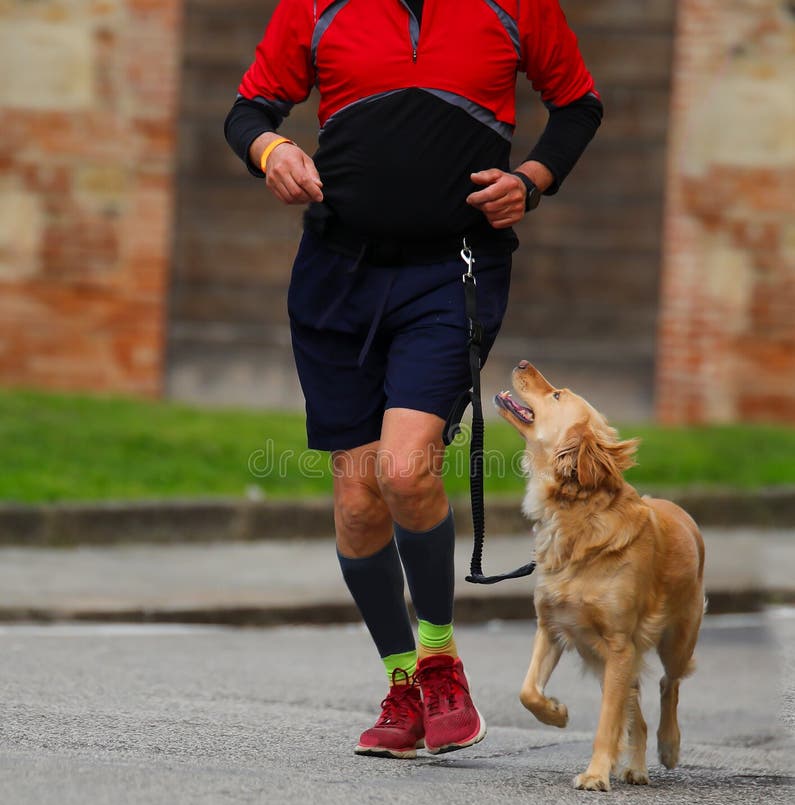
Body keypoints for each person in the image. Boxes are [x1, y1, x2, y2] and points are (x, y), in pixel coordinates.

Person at [225, 0, 602, 759]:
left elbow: (577, 104)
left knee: (404, 469)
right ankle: (403, 684)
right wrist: (271, 150)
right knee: (357, 501)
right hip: (335, 276)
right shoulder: (316, 7)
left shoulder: (515, 6)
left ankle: (439, 662)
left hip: (451, 273)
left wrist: (530, 181)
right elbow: (248, 111)